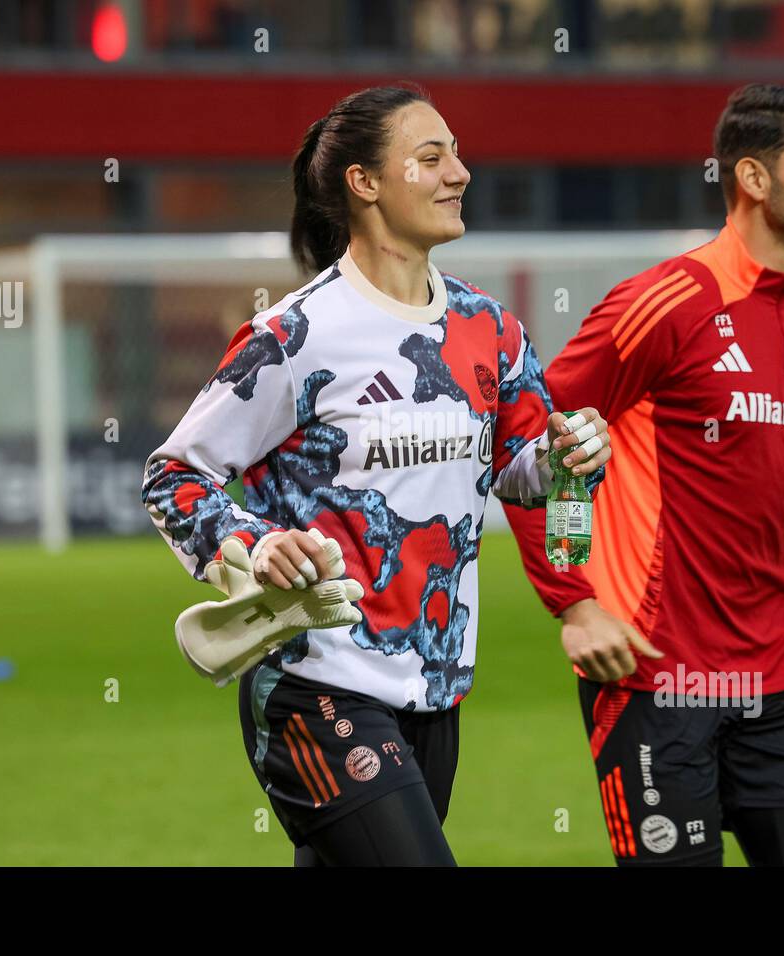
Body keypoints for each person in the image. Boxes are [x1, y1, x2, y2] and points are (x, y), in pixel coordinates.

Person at [142, 84, 612, 866]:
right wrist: (256, 546)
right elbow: (172, 477)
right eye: (431, 158)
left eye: (456, 154)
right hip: (315, 681)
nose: (459, 172)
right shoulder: (296, 335)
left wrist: (571, 460)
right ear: (364, 183)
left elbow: (519, 473)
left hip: (436, 690)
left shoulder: (491, 330)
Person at [507, 83, 784, 866]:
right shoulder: (665, 303)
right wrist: (574, 603)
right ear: (753, 178)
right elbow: (533, 447)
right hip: (654, 678)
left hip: (782, 680)